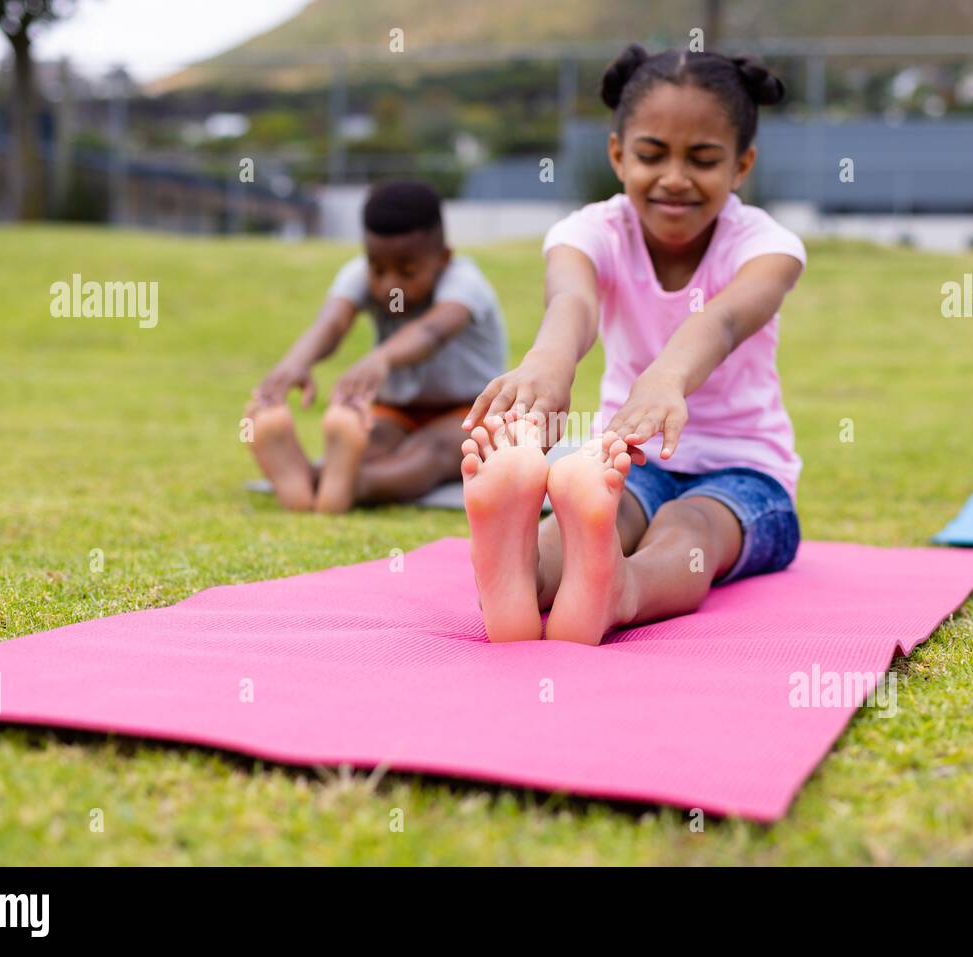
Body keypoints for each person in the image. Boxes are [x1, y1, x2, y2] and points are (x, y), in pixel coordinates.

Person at [460, 44, 806, 645]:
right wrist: (549, 362)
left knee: (689, 526)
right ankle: (526, 572)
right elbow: (573, 301)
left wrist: (665, 378)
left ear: (742, 165)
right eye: (652, 155)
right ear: (618, 155)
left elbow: (721, 322)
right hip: (629, 458)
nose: (674, 178)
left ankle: (620, 589)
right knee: (598, 511)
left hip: (746, 470)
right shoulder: (590, 231)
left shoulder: (767, 247)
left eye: (702, 159)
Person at [246, 180, 508, 513]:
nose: (389, 284)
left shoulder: (465, 282)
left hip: (469, 410)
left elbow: (431, 332)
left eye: (407, 271)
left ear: (443, 257)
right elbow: (332, 323)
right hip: (398, 408)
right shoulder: (358, 274)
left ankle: (350, 485)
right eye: (378, 269)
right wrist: (296, 363)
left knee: (433, 451)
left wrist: (381, 358)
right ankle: (317, 478)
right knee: (372, 442)